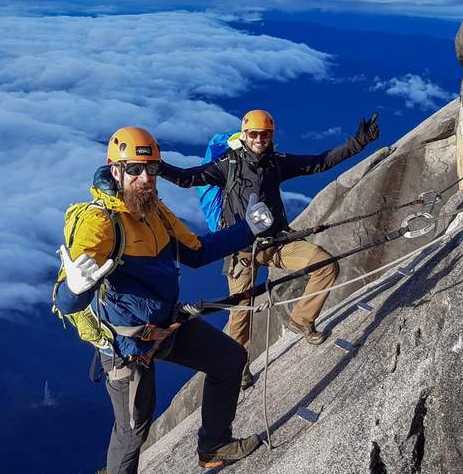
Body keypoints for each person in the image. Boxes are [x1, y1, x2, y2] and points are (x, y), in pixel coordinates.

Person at [54, 127, 276, 473]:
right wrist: (76, 289)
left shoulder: (155, 210)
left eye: (153, 169)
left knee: (230, 360)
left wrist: (248, 228)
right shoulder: (101, 223)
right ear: (116, 171)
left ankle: (214, 445)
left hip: (165, 327)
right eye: (134, 170)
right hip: (126, 347)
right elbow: (67, 304)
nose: (146, 178)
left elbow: (197, 252)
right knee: (132, 433)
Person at [158, 110, 380, 388]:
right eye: (254, 134)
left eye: (265, 134)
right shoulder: (228, 165)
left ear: (271, 136)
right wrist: (156, 166)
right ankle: (238, 367)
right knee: (241, 314)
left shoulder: (277, 162)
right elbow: (188, 178)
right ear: (244, 135)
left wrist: (358, 143)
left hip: (275, 244)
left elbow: (319, 163)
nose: (260, 139)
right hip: (241, 252)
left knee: (325, 266)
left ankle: (302, 320)